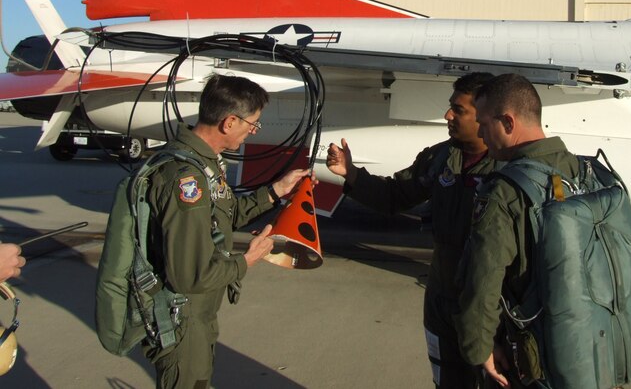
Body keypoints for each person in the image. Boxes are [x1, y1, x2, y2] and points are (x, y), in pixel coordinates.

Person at [326, 72, 496, 388]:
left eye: (459, 110)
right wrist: (351, 174)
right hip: (442, 302)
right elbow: (396, 197)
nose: (448, 115)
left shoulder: (512, 165)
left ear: (486, 114)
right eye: (451, 107)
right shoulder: (440, 158)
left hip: (492, 309)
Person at [143, 74, 312, 389]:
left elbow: (226, 216)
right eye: (252, 124)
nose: (252, 132)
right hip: (183, 318)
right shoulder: (185, 180)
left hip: (198, 316)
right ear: (230, 122)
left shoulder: (203, 164)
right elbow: (189, 275)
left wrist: (276, 190)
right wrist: (247, 260)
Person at [454, 73, 579, 388]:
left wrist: (479, 350)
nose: (481, 132)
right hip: (592, 342)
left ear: (508, 123)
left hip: (538, 352)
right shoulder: (583, 171)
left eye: (484, 123)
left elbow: (482, 282)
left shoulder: (504, 192)